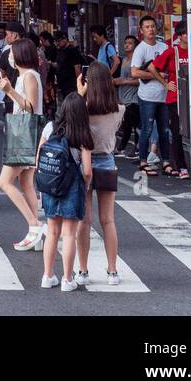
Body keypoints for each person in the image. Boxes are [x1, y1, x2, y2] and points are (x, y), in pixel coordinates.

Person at [36, 93, 93, 292]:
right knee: (69, 235)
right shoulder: (82, 134)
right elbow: (86, 170)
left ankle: (47, 275)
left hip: (50, 185)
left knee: (52, 232)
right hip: (72, 188)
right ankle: (67, 279)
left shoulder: (50, 128)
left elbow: (39, 159)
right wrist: (85, 187)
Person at [74, 63, 123, 286]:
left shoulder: (82, 108)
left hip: (84, 163)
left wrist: (79, 93)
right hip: (107, 161)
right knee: (108, 220)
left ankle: (83, 270)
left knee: (84, 221)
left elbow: (67, 118)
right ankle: (112, 271)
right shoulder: (119, 109)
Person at [0, 37, 45, 250]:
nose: (9, 55)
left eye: (11, 52)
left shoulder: (29, 76)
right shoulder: (25, 76)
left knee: (5, 181)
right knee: (26, 181)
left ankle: (34, 225)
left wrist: (9, 91)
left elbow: (31, 107)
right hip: (24, 130)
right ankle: (35, 233)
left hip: (24, 131)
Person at [131, 14, 173, 176]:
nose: (151, 29)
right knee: (147, 130)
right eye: (147, 27)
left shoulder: (163, 47)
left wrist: (162, 75)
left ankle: (166, 161)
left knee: (164, 130)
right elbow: (135, 73)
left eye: (153, 26)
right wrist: (159, 75)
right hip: (147, 97)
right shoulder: (140, 49)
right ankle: (143, 161)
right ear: (141, 31)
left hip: (164, 95)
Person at [150, 23, 190, 179]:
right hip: (175, 99)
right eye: (185, 33)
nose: (188, 36)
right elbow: (152, 68)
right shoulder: (172, 52)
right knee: (177, 132)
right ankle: (181, 167)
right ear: (179, 36)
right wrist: (166, 84)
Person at [113, 34, 141, 156]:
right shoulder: (124, 59)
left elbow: (139, 80)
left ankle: (124, 148)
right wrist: (116, 80)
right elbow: (123, 77)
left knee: (130, 124)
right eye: (126, 42)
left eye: (130, 43)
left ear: (135, 46)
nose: (127, 45)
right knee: (128, 124)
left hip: (134, 97)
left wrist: (123, 81)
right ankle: (134, 148)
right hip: (123, 96)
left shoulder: (137, 60)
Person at [53, 32, 84, 101]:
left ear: (65, 39)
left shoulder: (72, 50)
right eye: (56, 41)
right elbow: (59, 64)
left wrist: (79, 83)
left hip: (71, 86)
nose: (57, 43)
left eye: (59, 41)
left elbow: (77, 67)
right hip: (62, 85)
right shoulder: (60, 51)